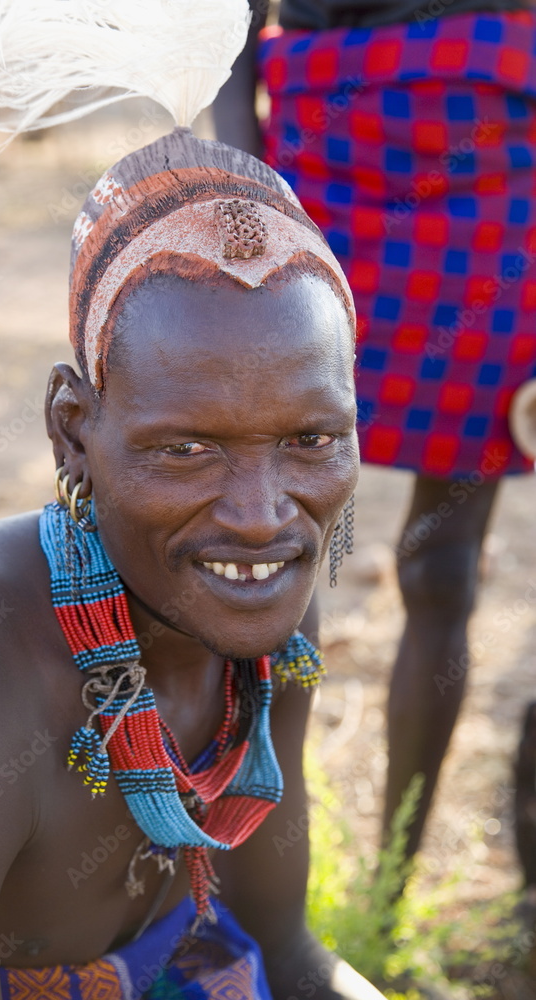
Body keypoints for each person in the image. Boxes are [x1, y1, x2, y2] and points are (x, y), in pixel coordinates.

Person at [0, 2, 387, 993]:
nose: (259, 511)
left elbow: (282, 955)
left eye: (310, 438)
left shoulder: (269, 609)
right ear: (73, 429)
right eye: (186, 447)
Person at [214, 0, 536, 859]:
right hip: (322, 152)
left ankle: (391, 882)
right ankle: (260, 870)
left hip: (501, 158)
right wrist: (239, 159)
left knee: (442, 569)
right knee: (268, 542)